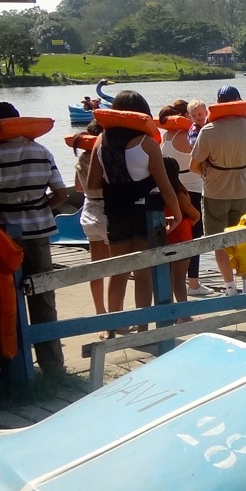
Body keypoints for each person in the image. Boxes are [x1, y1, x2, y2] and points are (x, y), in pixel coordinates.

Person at [0, 101, 67, 373]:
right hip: (39, 234)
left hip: (6, 237)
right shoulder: (42, 151)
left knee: (8, 299)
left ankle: (15, 365)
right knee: (44, 298)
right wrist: (40, 209)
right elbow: (61, 195)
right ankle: (53, 364)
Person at [86, 90, 181, 333]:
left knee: (118, 272)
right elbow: (164, 184)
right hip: (144, 213)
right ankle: (142, 328)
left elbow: (92, 184)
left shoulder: (100, 141)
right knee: (143, 273)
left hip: (115, 212)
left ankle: (113, 327)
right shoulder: (147, 143)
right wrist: (178, 214)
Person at [191, 85, 246, 296]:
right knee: (243, 239)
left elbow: (193, 165)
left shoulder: (209, 130)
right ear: (239, 100)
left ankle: (230, 287)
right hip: (242, 190)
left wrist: (207, 174)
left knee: (217, 241)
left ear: (218, 104)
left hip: (215, 192)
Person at [158, 99, 214, 297]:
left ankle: (176, 279)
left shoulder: (166, 136)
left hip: (170, 189)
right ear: (186, 116)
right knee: (194, 235)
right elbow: (205, 155)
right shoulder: (187, 135)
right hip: (190, 190)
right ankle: (194, 283)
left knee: (173, 235)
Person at [71, 122, 108, 315]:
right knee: (118, 266)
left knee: (96, 267)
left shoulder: (80, 161)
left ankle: (100, 312)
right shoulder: (103, 158)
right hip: (105, 211)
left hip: (88, 211)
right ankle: (117, 317)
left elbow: (78, 188)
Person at [161, 156, 201, 310]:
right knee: (179, 279)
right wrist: (187, 222)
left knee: (168, 279)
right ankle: (183, 313)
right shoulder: (180, 194)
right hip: (182, 237)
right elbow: (196, 215)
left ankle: (169, 311)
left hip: (165, 237)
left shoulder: (158, 192)